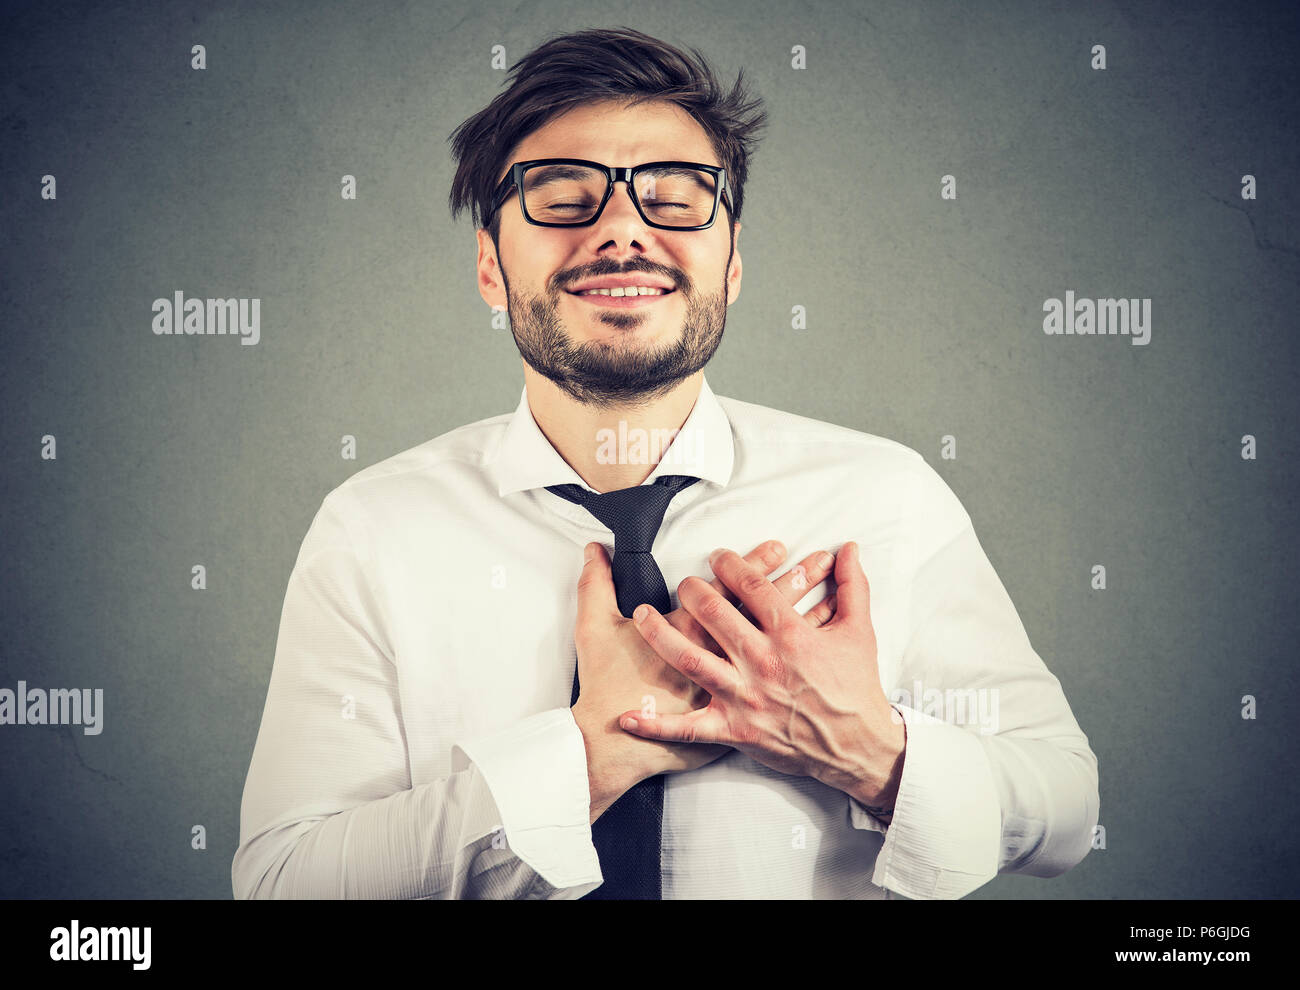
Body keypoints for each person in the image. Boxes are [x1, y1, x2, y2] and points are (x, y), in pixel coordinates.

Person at [232, 27, 1099, 900]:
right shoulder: (373, 531)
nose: (621, 232)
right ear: (492, 267)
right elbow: (283, 880)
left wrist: (872, 749)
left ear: (731, 265)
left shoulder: (887, 497)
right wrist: (589, 753)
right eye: (563, 198)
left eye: (676, 199)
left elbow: (1065, 810)